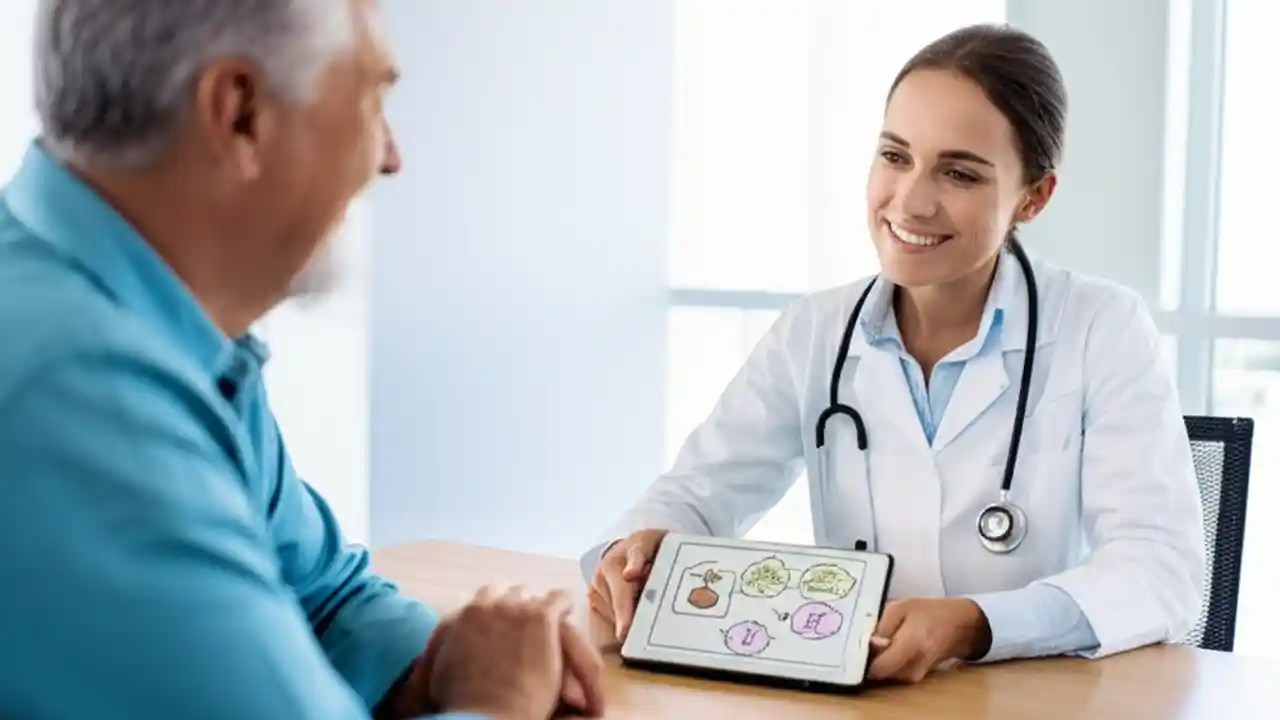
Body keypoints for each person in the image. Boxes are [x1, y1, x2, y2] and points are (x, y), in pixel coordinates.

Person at [0, 1, 602, 718]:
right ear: (241, 112)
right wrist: (496, 701)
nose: (391, 156)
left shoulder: (158, 333)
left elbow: (321, 596)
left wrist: (440, 666)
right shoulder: (79, 393)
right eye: (373, 97)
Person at [584, 23, 1205, 684]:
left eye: (959, 172)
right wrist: (637, 552)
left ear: (1034, 196)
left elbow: (1160, 569)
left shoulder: (1101, 328)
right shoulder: (815, 331)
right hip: (860, 696)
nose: (910, 201)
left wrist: (976, 621)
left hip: (1030, 699)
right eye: (895, 156)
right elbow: (699, 493)